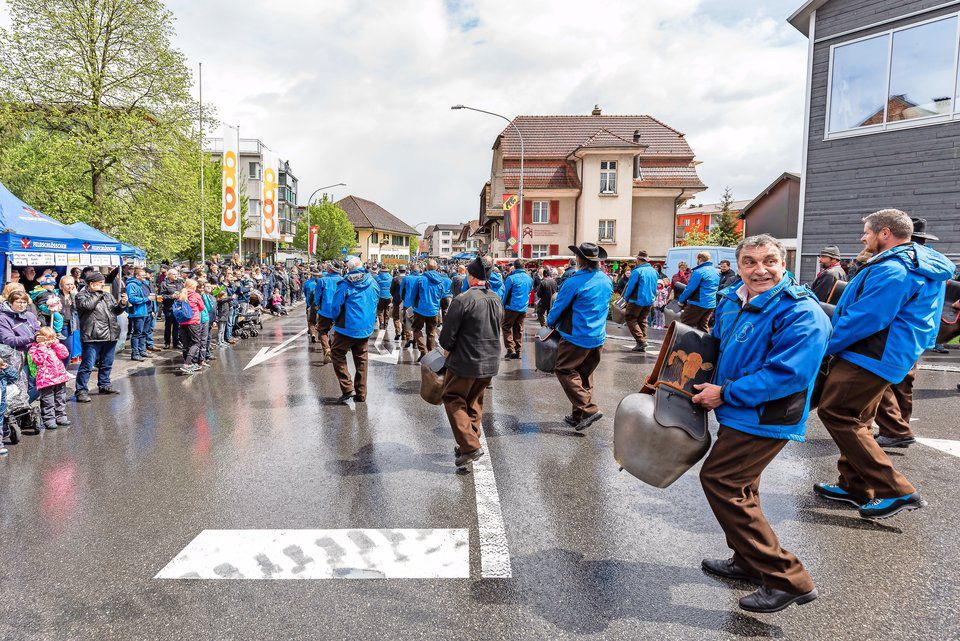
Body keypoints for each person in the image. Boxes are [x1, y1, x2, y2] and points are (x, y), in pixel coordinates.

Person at [691, 233, 830, 614]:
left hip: (766, 414)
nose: (760, 269)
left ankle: (787, 578)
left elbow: (788, 375)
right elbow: (717, 348)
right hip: (737, 408)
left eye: (769, 260)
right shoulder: (731, 299)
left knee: (721, 481)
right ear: (738, 266)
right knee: (745, 486)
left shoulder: (801, 312)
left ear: (783, 264)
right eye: (749, 261)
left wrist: (725, 393)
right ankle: (748, 560)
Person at [815, 209, 953, 519]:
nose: (863, 237)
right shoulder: (915, 262)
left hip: (871, 354)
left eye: (867, 231)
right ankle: (854, 486)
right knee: (859, 419)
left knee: (836, 413)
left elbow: (868, 318)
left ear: (885, 233)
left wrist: (826, 346)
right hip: (887, 355)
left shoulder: (896, 269)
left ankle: (897, 490)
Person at [873, 218, 942, 448]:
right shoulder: (934, 265)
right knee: (904, 384)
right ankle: (898, 427)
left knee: (883, 383)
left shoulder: (909, 266)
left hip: (899, 335)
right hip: (920, 333)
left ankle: (896, 430)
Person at [439, 256, 503, 468]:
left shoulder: (463, 299)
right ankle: (470, 443)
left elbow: (446, 337)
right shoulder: (495, 297)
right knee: (474, 401)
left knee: (452, 397)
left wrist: (447, 349)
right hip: (490, 361)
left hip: (466, 360)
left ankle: (469, 446)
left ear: (471, 276)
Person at [546, 243, 613, 431]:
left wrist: (550, 322)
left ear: (580, 260)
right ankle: (578, 416)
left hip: (577, 335)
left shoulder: (574, 281)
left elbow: (559, 306)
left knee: (564, 370)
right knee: (585, 376)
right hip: (598, 336)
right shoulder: (606, 280)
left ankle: (589, 409)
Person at [329, 257, 378, 404]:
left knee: (337, 353)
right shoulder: (373, 282)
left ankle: (347, 387)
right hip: (365, 327)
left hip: (347, 327)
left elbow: (336, 306)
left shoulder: (345, 284)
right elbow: (376, 300)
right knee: (361, 358)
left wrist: (335, 319)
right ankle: (361, 393)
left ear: (349, 269)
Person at [74, 272, 126, 401]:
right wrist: (97, 293)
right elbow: (87, 306)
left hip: (110, 333)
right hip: (93, 335)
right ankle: (81, 390)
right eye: (100, 283)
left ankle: (104, 384)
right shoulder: (81, 295)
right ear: (91, 284)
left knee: (107, 363)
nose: (103, 285)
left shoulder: (107, 295)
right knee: (87, 365)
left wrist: (122, 304)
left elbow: (115, 311)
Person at [29, 326, 71, 431]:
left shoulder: (54, 347)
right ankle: (49, 419)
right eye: (48, 338)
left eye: (52, 338)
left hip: (59, 378)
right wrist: (42, 347)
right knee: (48, 401)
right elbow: (38, 360)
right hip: (46, 380)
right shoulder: (35, 348)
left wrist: (56, 344)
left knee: (60, 399)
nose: (50, 341)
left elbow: (64, 354)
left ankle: (61, 416)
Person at [622, 250, 658, 353]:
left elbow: (630, 287)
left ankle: (641, 341)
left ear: (638, 259)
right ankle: (642, 342)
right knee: (642, 320)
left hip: (637, 299)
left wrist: (625, 299)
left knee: (630, 317)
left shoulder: (637, 271)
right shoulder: (653, 271)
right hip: (649, 300)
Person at [411, 260, 447, 359]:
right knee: (431, 333)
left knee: (417, 329)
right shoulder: (441, 280)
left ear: (426, 267)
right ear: (436, 268)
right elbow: (442, 295)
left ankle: (423, 351)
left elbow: (413, 295)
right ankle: (430, 355)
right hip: (434, 310)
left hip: (420, 310)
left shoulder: (421, 279)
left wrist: (414, 306)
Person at [677, 252, 719, 332]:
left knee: (685, 325)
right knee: (702, 326)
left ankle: (684, 344)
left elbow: (689, 289)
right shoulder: (715, 271)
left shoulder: (698, 272)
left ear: (700, 259)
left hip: (697, 303)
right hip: (710, 304)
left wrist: (681, 301)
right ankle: (706, 344)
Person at [500, 259, 533, 359]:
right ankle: (518, 351)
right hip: (523, 307)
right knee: (518, 329)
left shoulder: (511, 278)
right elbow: (529, 291)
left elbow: (505, 293)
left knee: (506, 327)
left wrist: (502, 304)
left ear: (515, 267)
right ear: (523, 267)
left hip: (511, 307)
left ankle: (511, 349)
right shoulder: (529, 278)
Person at [315, 262, 344, 364]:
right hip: (339, 310)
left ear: (330, 269)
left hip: (325, 310)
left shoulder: (322, 280)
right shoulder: (342, 280)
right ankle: (334, 351)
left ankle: (327, 349)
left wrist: (318, 305)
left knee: (323, 331)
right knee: (338, 331)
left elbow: (317, 297)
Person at [177, 279, 205, 374]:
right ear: (193, 286)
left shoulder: (181, 295)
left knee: (186, 343)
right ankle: (187, 363)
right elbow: (201, 307)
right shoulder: (196, 295)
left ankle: (189, 364)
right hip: (193, 322)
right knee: (196, 343)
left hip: (182, 322)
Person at [125, 267, 153, 362]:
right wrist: (146, 299)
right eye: (143, 275)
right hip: (137, 312)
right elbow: (132, 299)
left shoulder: (141, 284)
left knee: (143, 333)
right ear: (137, 276)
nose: (145, 276)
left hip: (143, 312)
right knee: (137, 333)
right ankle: (135, 353)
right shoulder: (132, 285)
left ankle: (142, 350)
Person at [160, 268, 183, 350]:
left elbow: (183, 292)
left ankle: (176, 343)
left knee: (177, 326)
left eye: (177, 274)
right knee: (168, 326)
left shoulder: (180, 283)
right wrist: (171, 296)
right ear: (169, 275)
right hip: (168, 308)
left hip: (178, 308)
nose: (176, 275)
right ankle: (167, 342)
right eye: (174, 274)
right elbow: (161, 296)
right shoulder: (164, 284)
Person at [303, 270, 321, 343]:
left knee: (310, 320)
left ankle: (312, 332)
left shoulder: (307, 283)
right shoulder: (321, 284)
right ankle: (319, 335)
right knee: (320, 321)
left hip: (310, 304)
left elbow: (304, 292)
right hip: (320, 306)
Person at [390, 266, 407, 342]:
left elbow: (391, 290)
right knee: (404, 318)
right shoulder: (408, 279)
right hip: (405, 301)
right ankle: (404, 334)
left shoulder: (395, 279)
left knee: (396, 317)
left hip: (396, 301)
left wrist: (394, 296)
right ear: (405, 271)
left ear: (398, 271)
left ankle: (398, 332)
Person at [375, 266, 393, 332]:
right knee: (387, 310)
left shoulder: (377, 278)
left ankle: (381, 323)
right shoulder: (391, 278)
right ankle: (386, 324)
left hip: (380, 296)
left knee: (380, 311)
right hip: (389, 296)